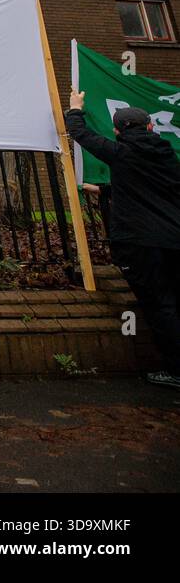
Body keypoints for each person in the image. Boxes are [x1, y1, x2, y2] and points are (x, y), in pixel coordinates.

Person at [66, 90, 180, 389]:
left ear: (118, 131)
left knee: (160, 306)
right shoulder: (168, 157)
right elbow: (153, 187)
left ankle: (176, 371)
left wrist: (75, 107)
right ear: (151, 128)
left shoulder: (121, 153)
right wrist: (105, 190)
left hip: (141, 244)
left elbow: (79, 133)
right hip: (174, 240)